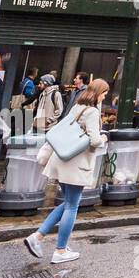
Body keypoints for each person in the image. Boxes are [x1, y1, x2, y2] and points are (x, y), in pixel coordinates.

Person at [24, 78, 109, 265]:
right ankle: (60, 250)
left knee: (67, 203)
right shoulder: (93, 112)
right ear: (98, 93)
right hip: (75, 164)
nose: (104, 97)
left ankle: (37, 237)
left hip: (61, 160)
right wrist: (103, 138)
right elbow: (94, 141)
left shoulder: (77, 106)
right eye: (104, 93)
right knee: (72, 206)